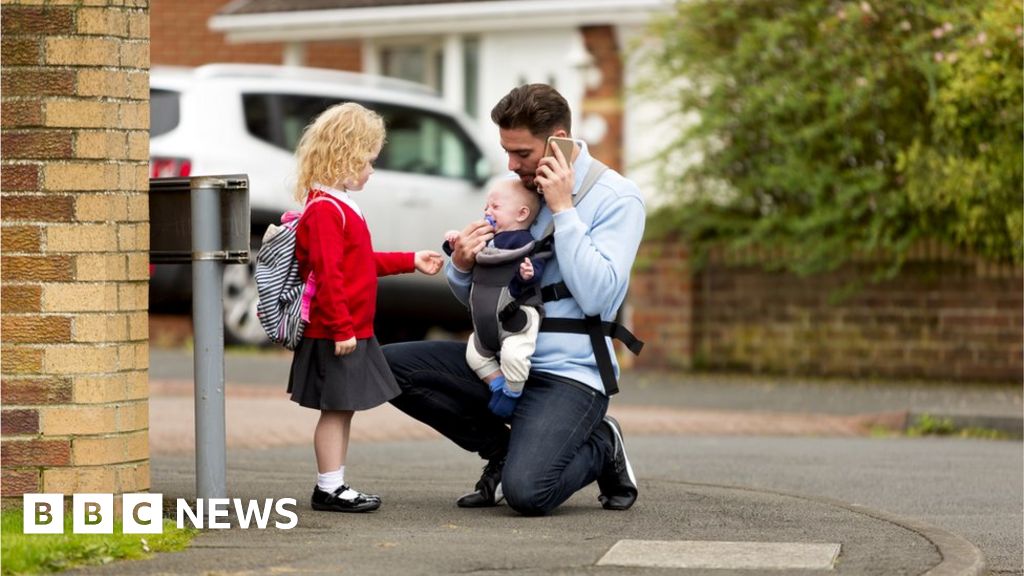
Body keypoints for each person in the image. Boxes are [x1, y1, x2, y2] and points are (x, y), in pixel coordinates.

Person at [385, 84, 645, 516]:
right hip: (499, 358)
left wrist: (564, 211)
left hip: (569, 374)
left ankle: (602, 444)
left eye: (522, 153)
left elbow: (599, 297)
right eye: (507, 152)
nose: (512, 165)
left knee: (528, 493)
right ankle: (504, 452)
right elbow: (483, 297)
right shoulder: (517, 192)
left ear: (558, 138)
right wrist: (464, 267)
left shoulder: (616, 198)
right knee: (388, 368)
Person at [288, 102, 443, 513]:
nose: (372, 171)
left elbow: (358, 263)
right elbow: (328, 274)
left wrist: (411, 259)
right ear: (345, 154)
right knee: (336, 410)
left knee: (343, 409)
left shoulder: (339, 204)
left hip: (349, 327)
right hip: (335, 331)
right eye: (368, 161)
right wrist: (341, 328)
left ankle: (333, 483)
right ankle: (329, 487)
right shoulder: (324, 210)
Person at [442, 179, 548, 419]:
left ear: (522, 214)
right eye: (486, 207)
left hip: (516, 320)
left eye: (495, 207)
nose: (487, 212)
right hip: (486, 326)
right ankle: (498, 383)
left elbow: (534, 265)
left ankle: (513, 393)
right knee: (474, 355)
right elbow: (470, 252)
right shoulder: (490, 237)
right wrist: (456, 243)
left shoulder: (521, 241)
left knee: (515, 356)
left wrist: (529, 272)